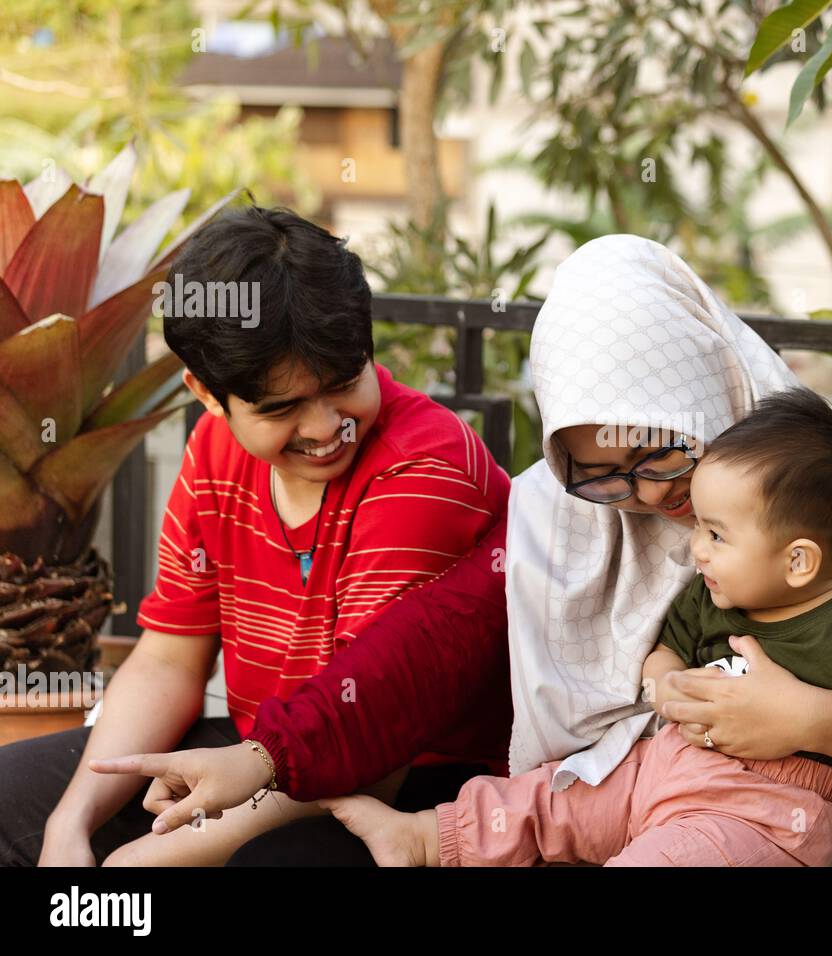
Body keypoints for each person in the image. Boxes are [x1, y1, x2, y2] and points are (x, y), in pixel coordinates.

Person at [96, 233, 832, 867]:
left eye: (664, 454)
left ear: (705, 392)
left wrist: (808, 721)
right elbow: (430, 642)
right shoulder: (560, 513)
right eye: (599, 471)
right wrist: (264, 758)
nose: (645, 497)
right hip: (611, 807)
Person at [0, 206, 510, 867]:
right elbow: (169, 659)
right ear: (208, 395)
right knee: (16, 801)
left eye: (343, 384)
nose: (325, 428)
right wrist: (69, 825)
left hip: (417, 785)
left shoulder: (424, 467)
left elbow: (370, 733)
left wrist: (142, 863)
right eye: (281, 408)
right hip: (256, 758)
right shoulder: (215, 449)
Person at [319, 387, 832, 866]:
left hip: (761, 809)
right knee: (552, 801)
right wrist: (665, 684)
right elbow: (663, 652)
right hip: (662, 765)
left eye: (716, 534)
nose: (695, 548)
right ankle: (427, 839)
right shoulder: (714, 598)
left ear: (798, 560)